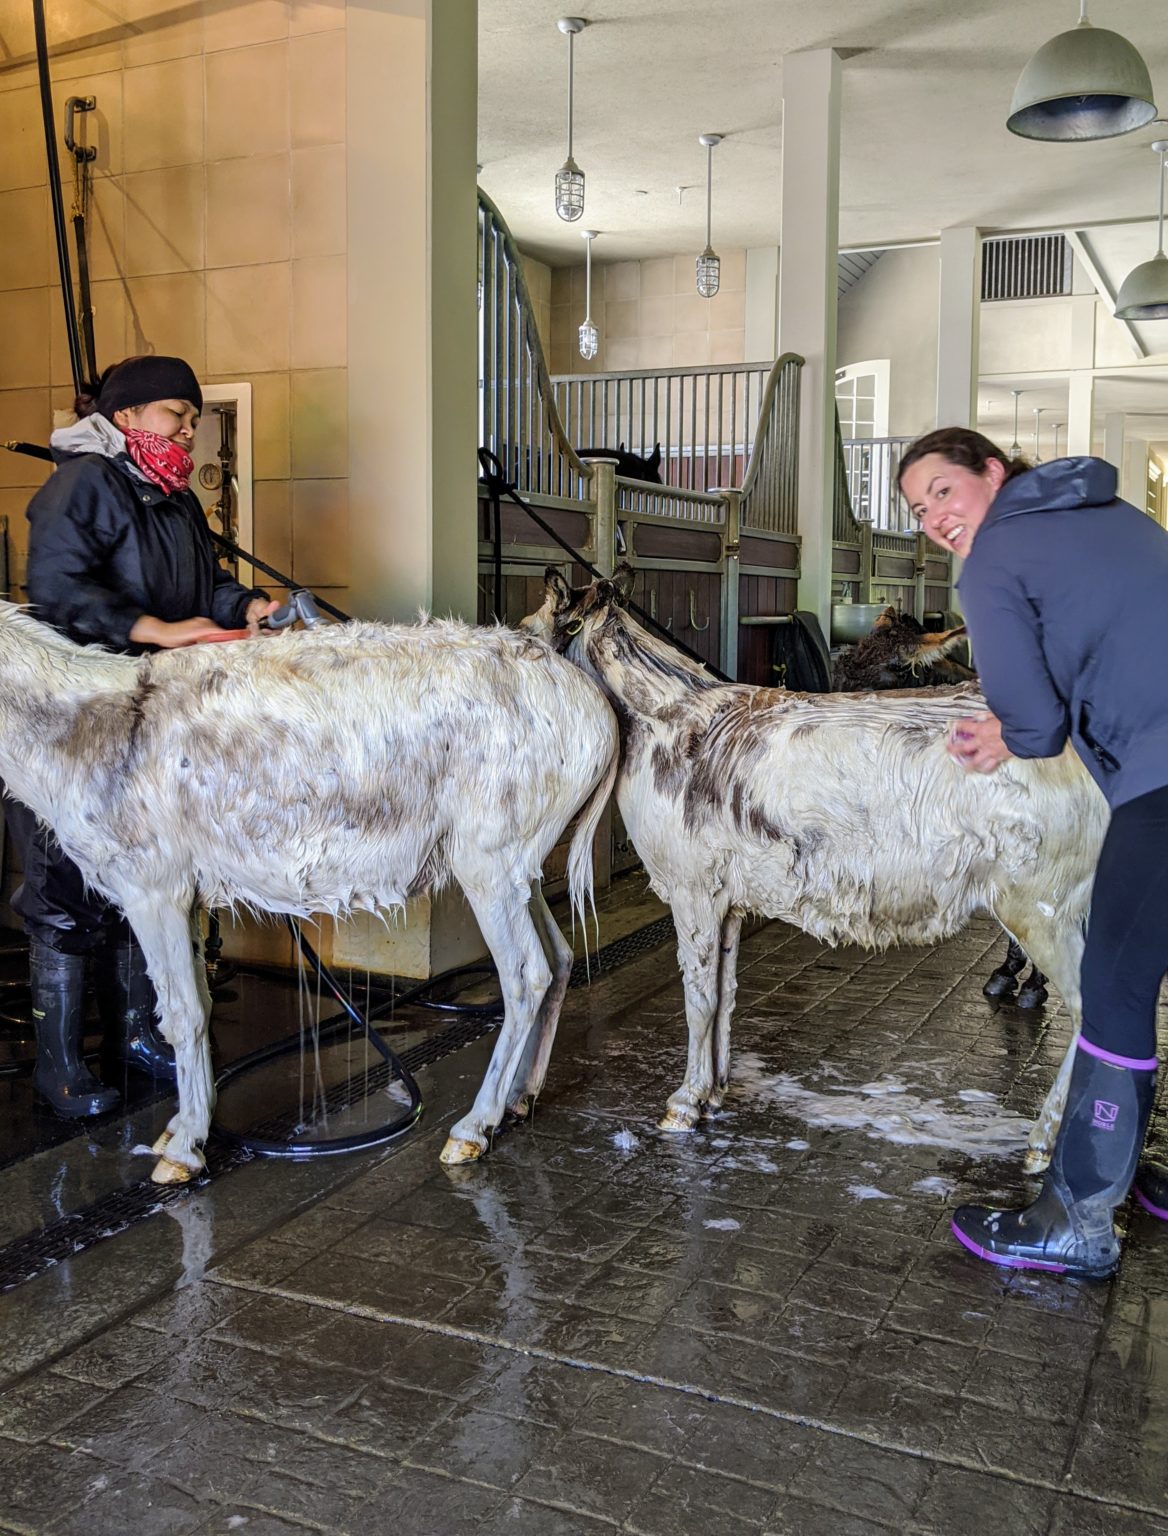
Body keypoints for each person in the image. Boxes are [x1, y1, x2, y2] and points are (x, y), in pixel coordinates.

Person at [899, 426, 1168, 1279]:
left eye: (943, 490)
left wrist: (1004, 737)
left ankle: (1078, 1221)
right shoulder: (1103, 509)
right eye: (917, 508)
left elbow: (1039, 721)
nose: (935, 517)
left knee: (1116, 987)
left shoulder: (992, 560)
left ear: (991, 471)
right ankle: (1128, 1173)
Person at [6, 354, 278, 1117]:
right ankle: (58, 1065)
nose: (188, 430)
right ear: (126, 418)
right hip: (80, 723)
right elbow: (56, 594)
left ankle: (138, 1034)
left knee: (149, 877)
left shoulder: (175, 497)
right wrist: (154, 630)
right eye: (174, 415)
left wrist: (243, 606)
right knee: (65, 887)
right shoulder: (80, 486)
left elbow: (207, 585)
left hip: (154, 718)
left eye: (192, 419)